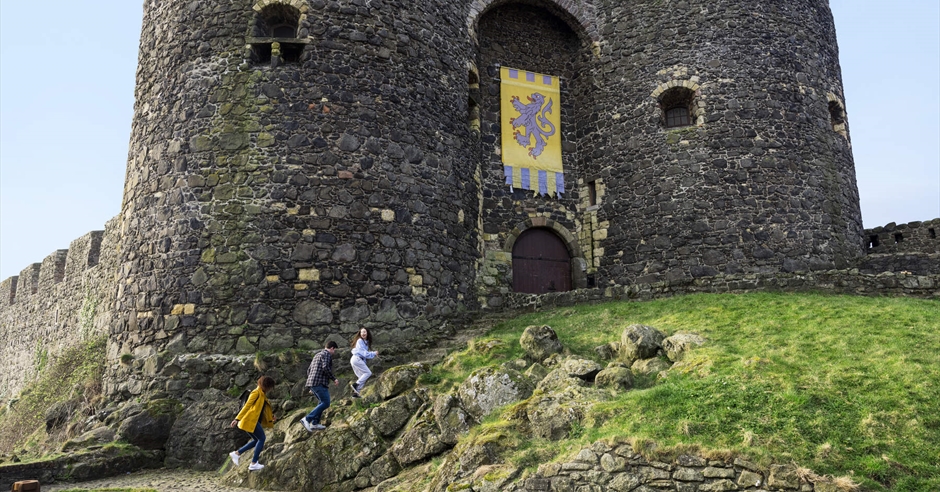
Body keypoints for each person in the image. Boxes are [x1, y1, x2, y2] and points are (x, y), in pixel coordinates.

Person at [229, 376, 276, 472]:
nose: (270, 389)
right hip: (250, 421)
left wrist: (271, 416)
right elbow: (246, 406)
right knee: (262, 438)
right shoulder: (256, 392)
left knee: (256, 440)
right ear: (266, 386)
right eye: (270, 387)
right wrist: (237, 419)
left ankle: (237, 453)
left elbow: (262, 409)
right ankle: (254, 463)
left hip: (252, 421)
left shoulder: (262, 394)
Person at [300, 341, 339, 432]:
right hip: (319, 383)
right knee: (326, 403)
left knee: (321, 402)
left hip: (312, 383)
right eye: (334, 350)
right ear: (332, 348)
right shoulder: (327, 354)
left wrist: (311, 385)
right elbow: (325, 367)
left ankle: (315, 423)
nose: (334, 352)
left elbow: (309, 370)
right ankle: (307, 419)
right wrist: (334, 379)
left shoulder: (317, 355)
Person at [349, 327, 378, 397]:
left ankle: (356, 393)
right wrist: (374, 353)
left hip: (356, 359)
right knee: (368, 373)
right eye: (362, 332)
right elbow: (364, 353)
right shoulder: (360, 341)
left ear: (367, 333)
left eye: (364, 332)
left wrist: (372, 354)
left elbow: (364, 354)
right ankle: (355, 384)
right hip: (356, 359)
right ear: (360, 334)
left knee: (362, 377)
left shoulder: (365, 342)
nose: (363, 333)